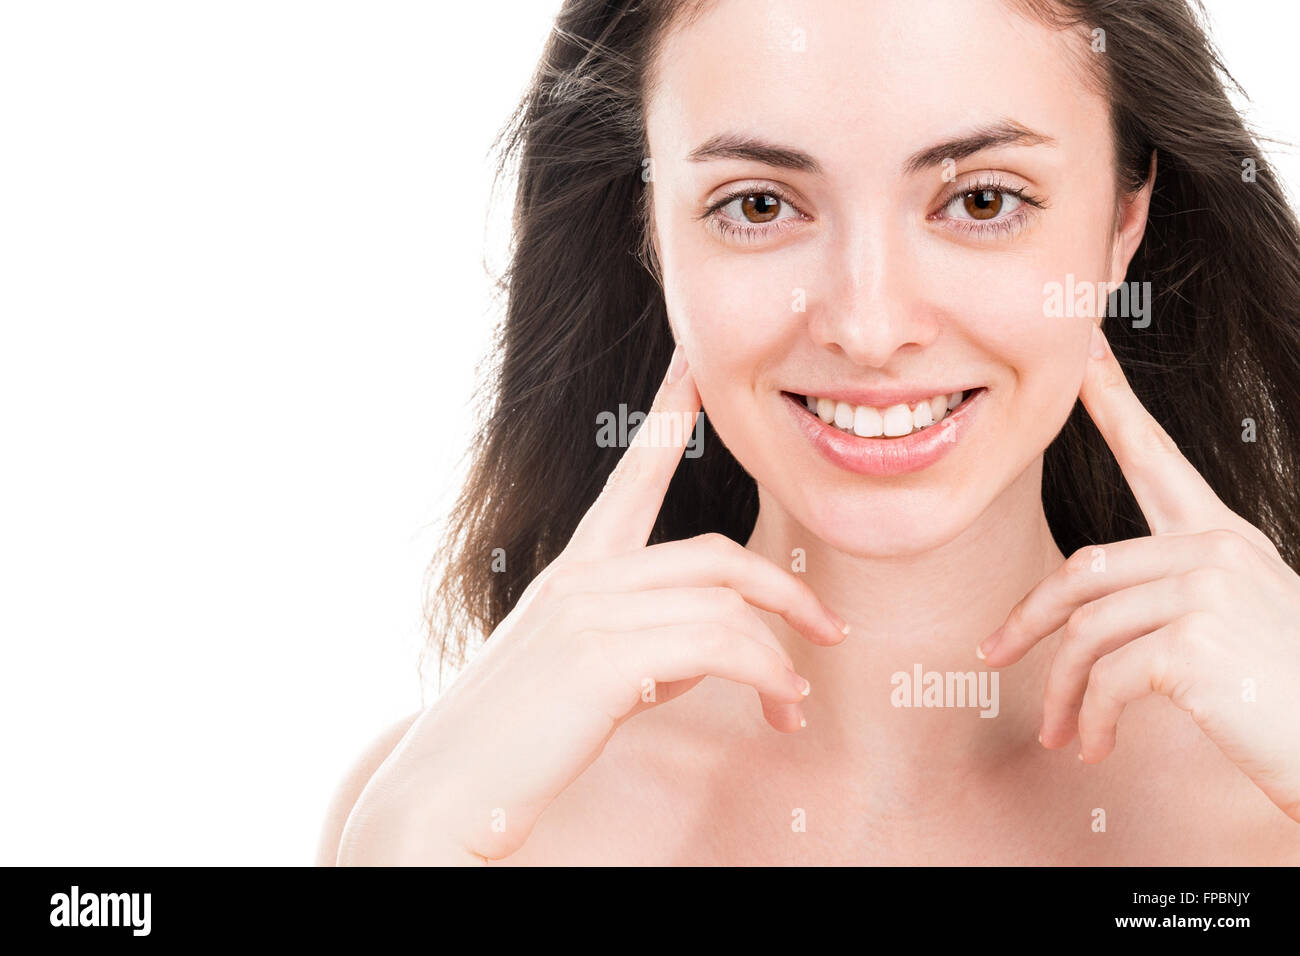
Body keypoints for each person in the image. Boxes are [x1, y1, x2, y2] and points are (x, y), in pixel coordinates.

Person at [319, 0, 1300, 865]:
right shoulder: (458, 809)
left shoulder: (1274, 786)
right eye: (758, 205)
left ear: (1123, 220)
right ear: (651, 227)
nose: (868, 328)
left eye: (982, 200)